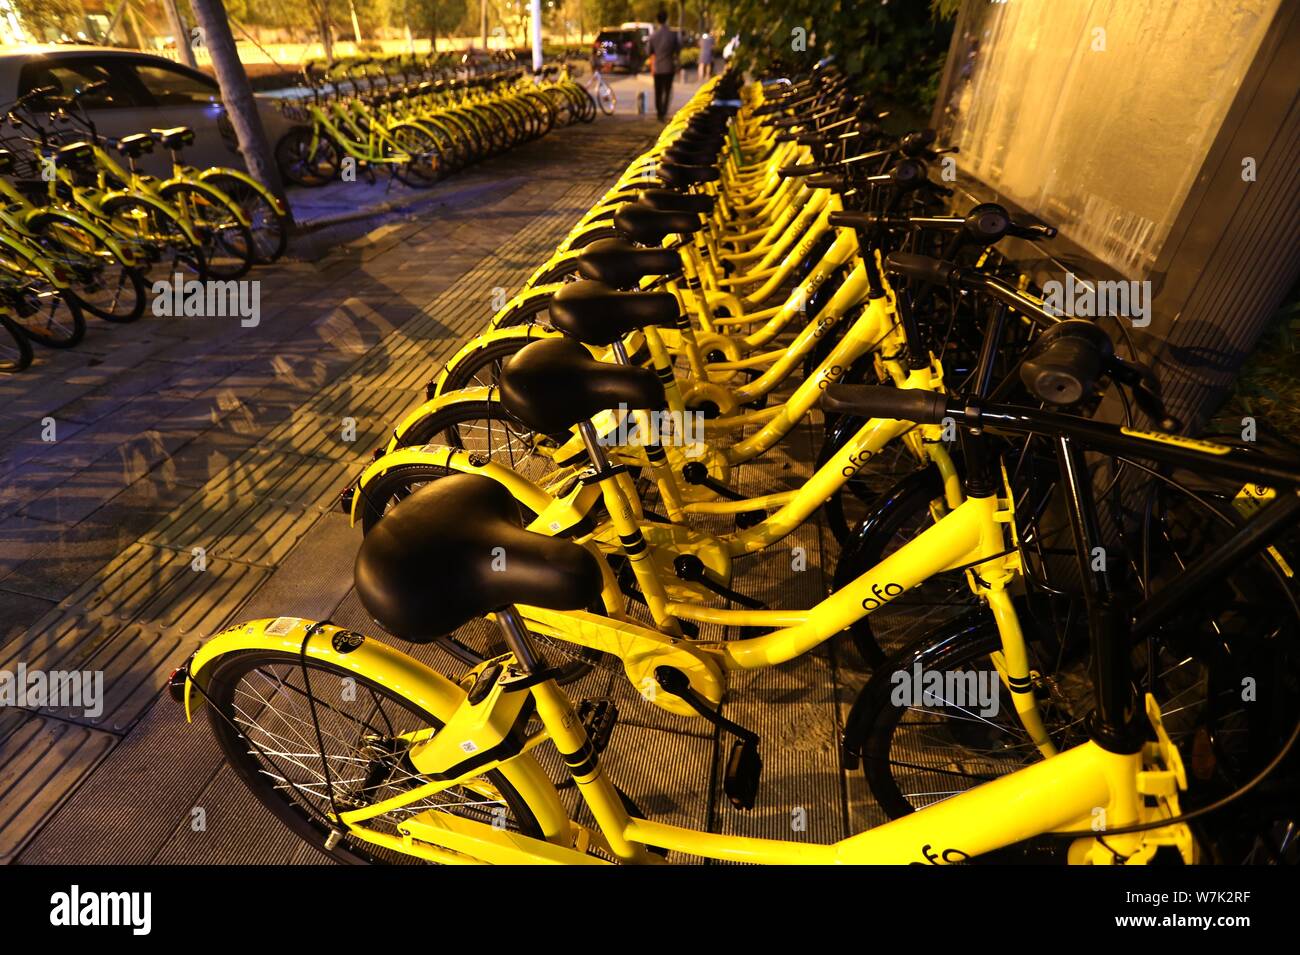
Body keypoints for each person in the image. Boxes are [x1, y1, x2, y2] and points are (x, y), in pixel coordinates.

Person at [647, 9, 681, 121]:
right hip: (669, 67)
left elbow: (649, 51)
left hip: (657, 67)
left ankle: (659, 113)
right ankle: (664, 111)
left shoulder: (653, 36)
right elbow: (677, 50)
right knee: (667, 90)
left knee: (658, 91)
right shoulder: (672, 34)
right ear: (666, 19)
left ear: (657, 20)